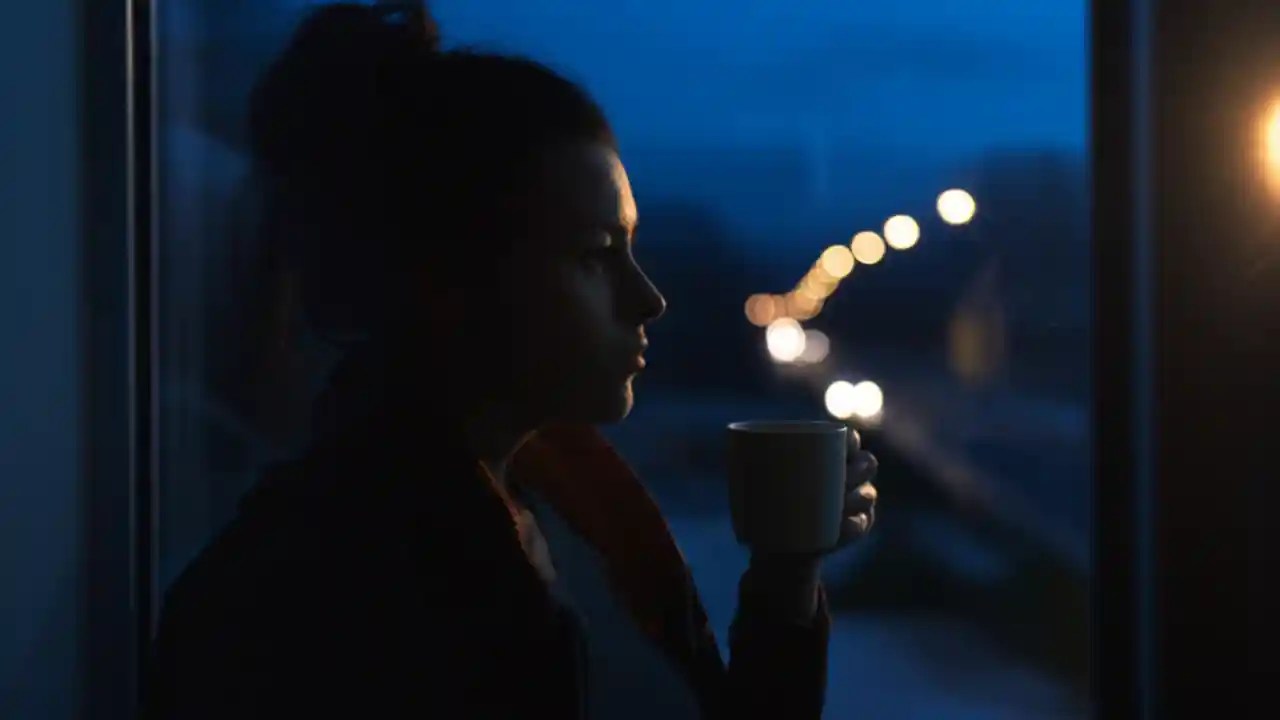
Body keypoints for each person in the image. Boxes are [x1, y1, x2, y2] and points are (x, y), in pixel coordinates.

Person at [141, 4, 879, 719]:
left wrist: (785, 576)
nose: (649, 299)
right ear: (448, 277)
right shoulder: (305, 606)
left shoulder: (576, 512)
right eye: (596, 255)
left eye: (630, 249)